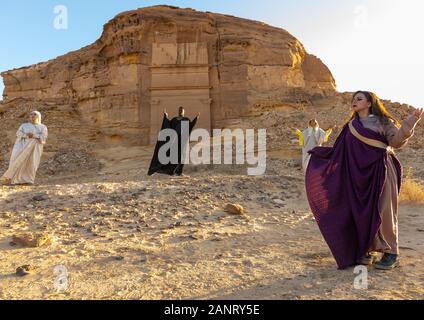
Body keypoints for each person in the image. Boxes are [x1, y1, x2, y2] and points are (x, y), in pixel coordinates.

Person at [305, 91, 423, 270]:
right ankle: (366, 250)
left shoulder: (383, 122)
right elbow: (340, 150)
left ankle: (391, 253)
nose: (354, 101)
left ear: (369, 103)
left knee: (384, 211)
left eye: (359, 99)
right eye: (353, 99)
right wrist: (321, 155)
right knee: (361, 211)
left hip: (381, 170)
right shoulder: (351, 125)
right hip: (357, 175)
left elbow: (396, 141)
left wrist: (410, 122)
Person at [148, 106, 199, 176]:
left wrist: (196, 119)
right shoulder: (174, 119)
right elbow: (168, 126)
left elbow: (190, 126)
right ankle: (170, 171)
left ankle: (179, 172)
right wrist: (165, 117)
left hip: (182, 142)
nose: (180, 111)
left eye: (182, 110)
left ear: (184, 112)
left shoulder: (186, 120)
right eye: (180, 110)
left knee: (181, 157)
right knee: (172, 157)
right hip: (174, 141)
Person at [1, 111, 48, 185]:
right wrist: (26, 135)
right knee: (19, 160)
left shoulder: (43, 127)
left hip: (35, 148)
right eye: (31, 114)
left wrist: (34, 135)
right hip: (22, 146)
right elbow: (18, 133)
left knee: (32, 162)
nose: (32, 115)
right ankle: (16, 180)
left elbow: (43, 137)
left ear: (38, 116)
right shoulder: (24, 125)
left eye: (34, 114)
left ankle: (29, 180)